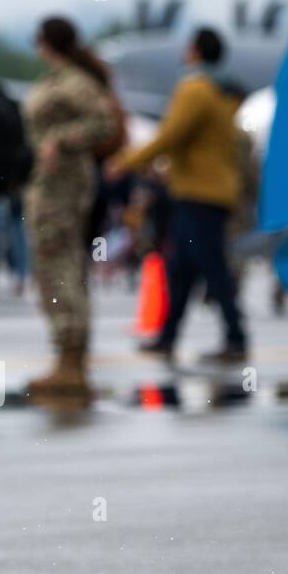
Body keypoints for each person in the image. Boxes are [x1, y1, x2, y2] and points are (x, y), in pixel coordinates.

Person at [107, 27, 247, 364]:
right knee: (181, 268)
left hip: (199, 193)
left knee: (211, 267)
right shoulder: (223, 90)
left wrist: (125, 162)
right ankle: (169, 336)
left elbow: (170, 135)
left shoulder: (195, 88)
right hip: (212, 190)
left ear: (196, 51)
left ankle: (236, 337)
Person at [21, 16, 117, 400]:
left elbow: (104, 123)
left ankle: (71, 359)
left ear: (46, 42)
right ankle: (68, 357)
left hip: (61, 188)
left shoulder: (74, 82)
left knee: (58, 267)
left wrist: (59, 140)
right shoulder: (60, 79)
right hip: (51, 186)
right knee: (61, 266)